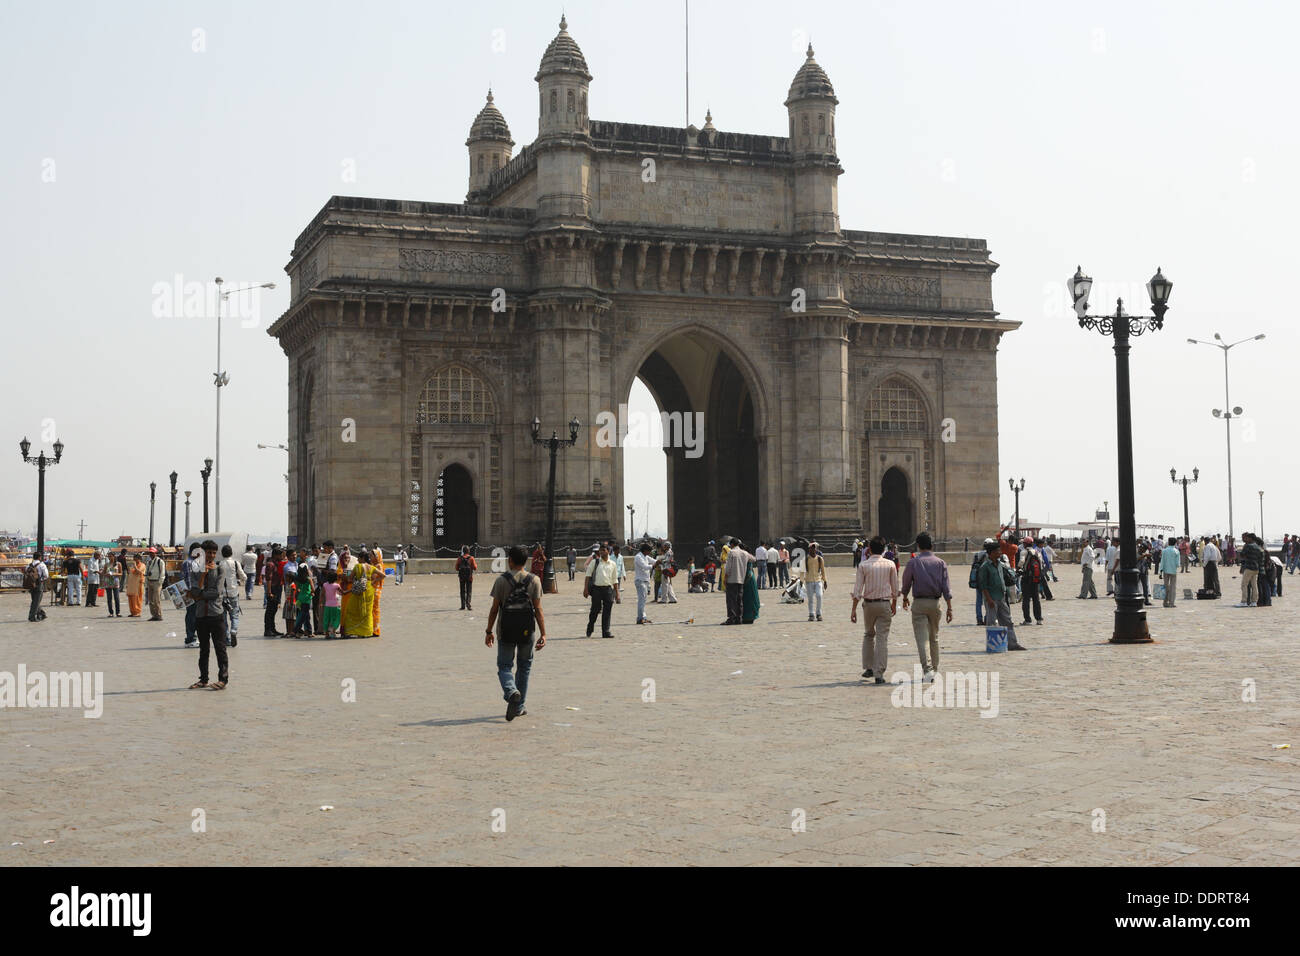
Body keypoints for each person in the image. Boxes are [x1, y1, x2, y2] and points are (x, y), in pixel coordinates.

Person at [485, 545, 547, 721]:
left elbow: (494, 609)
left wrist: (489, 631)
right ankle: (519, 706)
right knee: (524, 667)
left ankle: (511, 691)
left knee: (504, 666)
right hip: (527, 631)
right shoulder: (534, 580)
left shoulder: (501, 581)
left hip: (505, 630)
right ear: (526, 561)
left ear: (510, 560)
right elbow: (538, 610)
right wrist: (543, 634)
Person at [900, 532, 953, 680]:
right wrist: (949, 608)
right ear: (931, 545)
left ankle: (928, 670)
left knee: (922, 639)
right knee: (934, 638)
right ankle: (934, 670)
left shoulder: (913, 562)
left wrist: (904, 597)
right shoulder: (941, 563)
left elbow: (906, 583)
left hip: (919, 603)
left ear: (918, 546)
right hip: (936, 603)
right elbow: (946, 587)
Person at [851, 536, 899, 683]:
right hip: (884, 603)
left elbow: (858, 590)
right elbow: (895, 588)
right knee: (882, 638)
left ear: (869, 549)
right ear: (884, 549)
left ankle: (869, 668)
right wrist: (893, 603)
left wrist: (853, 610)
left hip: (869, 604)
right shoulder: (890, 564)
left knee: (868, 634)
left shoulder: (863, 566)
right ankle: (879, 674)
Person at [188, 540, 229, 690]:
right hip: (200, 615)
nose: (211, 555)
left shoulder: (220, 569)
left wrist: (199, 596)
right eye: (208, 552)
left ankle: (223, 680)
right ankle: (203, 679)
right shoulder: (195, 570)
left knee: (220, 648)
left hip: (216, 614)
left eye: (213, 552)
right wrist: (203, 575)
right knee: (203, 649)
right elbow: (194, 591)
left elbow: (216, 593)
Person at [978, 539, 1027, 651]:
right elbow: (983, 586)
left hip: (1001, 597)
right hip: (991, 599)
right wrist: (989, 600)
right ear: (991, 553)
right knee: (992, 622)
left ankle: (1012, 644)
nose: (999, 553)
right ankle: (994, 645)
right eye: (997, 551)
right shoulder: (985, 567)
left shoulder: (1000, 565)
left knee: (1008, 621)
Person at [340, 551, 383, 638]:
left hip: (358, 590)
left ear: (362, 558)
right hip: (369, 589)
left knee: (352, 609)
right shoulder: (371, 567)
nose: (357, 560)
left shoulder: (357, 566)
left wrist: (345, 576)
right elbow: (383, 575)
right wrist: (373, 581)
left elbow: (350, 579)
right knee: (367, 611)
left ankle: (351, 630)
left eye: (359, 558)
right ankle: (366, 632)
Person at [583, 542, 620, 638]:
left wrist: (617, 594)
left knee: (607, 611)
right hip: (597, 589)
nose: (602, 552)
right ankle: (590, 626)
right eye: (600, 551)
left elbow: (614, 580)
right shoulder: (595, 562)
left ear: (608, 551)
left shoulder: (613, 564)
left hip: (608, 589)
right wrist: (585, 589)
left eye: (604, 550)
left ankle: (606, 631)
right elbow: (587, 576)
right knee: (595, 610)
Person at [219, 544, 246, 645]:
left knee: (223, 618)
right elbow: (243, 576)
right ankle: (233, 630)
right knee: (234, 615)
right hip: (233, 593)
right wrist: (240, 580)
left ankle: (227, 639)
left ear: (222, 553)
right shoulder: (235, 563)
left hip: (222, 595)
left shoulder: (219, 564)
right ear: (231, 553)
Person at [722, 538, 752, 625]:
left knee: (731, 600)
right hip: (741, 580)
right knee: (739, 600)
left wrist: (725, 578)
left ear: (732, 544)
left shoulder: (731, 552)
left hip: (731, 580)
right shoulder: (744, 553)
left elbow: (728, 568)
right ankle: (739, 618)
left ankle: (731, 618)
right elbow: (754, 559)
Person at [1019, 537, 1044, 625]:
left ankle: (1028, 620)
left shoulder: (1024, 552)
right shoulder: (1037, 552)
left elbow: (1021, 562)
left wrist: (1018, 569)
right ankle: (1039, 619)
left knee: (1026, 599)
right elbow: (1041, 565)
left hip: (1026, 578)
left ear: (1025, 544)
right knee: (1036, 599)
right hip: (1036, 578)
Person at [1237, 532, 1264, 607]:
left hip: (1248, 567)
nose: (1246, 539)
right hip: (1256, 568)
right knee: (1254, 585)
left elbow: (1242, 555)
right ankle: (1254, 602)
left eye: (1248, 538)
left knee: (1244, 584)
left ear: (1251, 538)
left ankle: (1244, 601)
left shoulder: (1248, 546)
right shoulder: (1257, 547)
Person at [263, 546, 285, 637]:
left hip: (277, 588)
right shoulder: (270, 564)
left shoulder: (277, 563)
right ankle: (267, 630)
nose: (283, 557)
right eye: (281, 555)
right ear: (276, 555)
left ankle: (272, 628)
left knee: (274, 609)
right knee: (270, 610)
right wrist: (269, 592)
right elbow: (269, 579)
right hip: (272, 588)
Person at [804, 541, 828, 622]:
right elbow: (801, 571)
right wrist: (800, 581)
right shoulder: (805, 559)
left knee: (819, 595)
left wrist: (825, 581)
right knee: (810, 599)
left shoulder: (820, 559)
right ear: (809, 549)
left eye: (814, 548)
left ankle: (819, 613)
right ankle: (811, 614)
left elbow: (823, 570)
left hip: (818, 580)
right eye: (811, 548)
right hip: (809, 580)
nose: (813, 550)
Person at [633, 541, 654, 624]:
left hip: (645, 580)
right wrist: (654, 566)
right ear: (644, 550)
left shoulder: (646, 556)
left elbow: (653, 560)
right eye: (648, 551)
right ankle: (639, 618)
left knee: (644, 600)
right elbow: (645, 567)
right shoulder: (638, 557)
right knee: (641, 600)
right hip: (640, 580)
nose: (649, 553)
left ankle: (643, 617)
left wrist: (661, 561)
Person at [24, 553, 49, 622]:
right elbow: (46, 575)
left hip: (31, 585)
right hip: (39, 584)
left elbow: (26, 573)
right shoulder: (42, 565)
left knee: (35, 600)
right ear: (40, 557)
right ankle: (32, 616)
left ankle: (41, 614)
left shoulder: (28, 565)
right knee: (36, 601)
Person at [144, 547, 167, 621]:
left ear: (155, 553)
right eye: (150, 553)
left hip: (157, 582)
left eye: (152, 553)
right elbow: (147, 573)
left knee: (156, 599)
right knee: (150, 600)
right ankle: (154, 615)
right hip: (150, 581)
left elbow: (162, 573)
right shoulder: (149, 562)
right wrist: (146, 584)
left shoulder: (160, 561)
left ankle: (159, 615)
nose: (151, 554)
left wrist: (160, 582)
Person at [292, 562, 314, 637]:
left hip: (300, 598)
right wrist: (312, 592)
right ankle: (296, 630)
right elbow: (313, 589)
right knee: (304, 615)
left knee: (304, 614)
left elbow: (297, 589)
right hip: (307, 598)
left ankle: (308, 631)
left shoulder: (297, 579)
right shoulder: (308, 579)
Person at [1159, 534, 1181, 607]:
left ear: (1168, 542)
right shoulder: (1176, 551)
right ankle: (1172, 603)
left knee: (1166, 587)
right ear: (1175, 543)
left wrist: (1160, 571)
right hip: (1173, 571)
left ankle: (1165, 602)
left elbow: (1162, 561)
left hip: (1165, 571)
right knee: (1172, 587)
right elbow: (1178, 564)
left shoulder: (1164, 551)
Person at [322, 569, 342, 638]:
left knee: (326, 619)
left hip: (327, 605)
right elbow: (343, 592)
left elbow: (322, 594)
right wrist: (351, 590)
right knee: (336, 618)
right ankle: (333, 630)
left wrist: (321, 603)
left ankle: (327, 634)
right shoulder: (337, 585)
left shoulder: (324, 585)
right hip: (335, 605)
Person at [124, 553, 146, 618]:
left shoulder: (142, 565)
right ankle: (132, 612)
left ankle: (137, 612)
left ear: (139, 559)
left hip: (138, 584)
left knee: (137, 598)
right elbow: (130, 574)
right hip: (131, 584)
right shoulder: (133, 566)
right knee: (131, 597)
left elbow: (140, 572)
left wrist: (135, 566)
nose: (135, 560)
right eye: (134, 559)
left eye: (136, 559)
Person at [456, 545, 477, 610]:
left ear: (463, 551)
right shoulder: (471, 558)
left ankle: (462, 606)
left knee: (462, 591)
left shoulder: (459, 558)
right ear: (468, 551)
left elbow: (456, 568)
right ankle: (468, 605)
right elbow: (475, 568)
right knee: (469, 591)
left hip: (461, 577)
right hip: (469, 577)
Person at [101, 550, 121, 617]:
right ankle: (111, 612)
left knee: (116, 598)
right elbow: (103, 573)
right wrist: (105, 574)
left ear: (114, 556)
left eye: (111, 556)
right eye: (108, 556)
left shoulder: (118, 564)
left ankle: (118, 612)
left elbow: (121, 573)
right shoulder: (106, 564)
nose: (109, 558)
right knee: (109, 598)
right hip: (108, 582)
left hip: (115, 582)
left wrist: (114, 573)